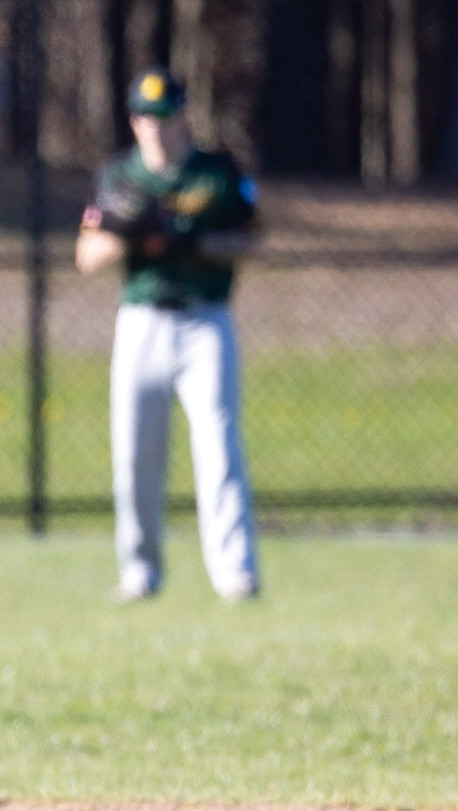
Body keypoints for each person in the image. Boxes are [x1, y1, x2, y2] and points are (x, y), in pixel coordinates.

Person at [77, 69, 264, 602]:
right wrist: (129, 235)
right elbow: (87, 255)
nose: (154, 127)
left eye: (163, 116)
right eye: (143, 117)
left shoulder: (216, 174)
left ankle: (234, 572)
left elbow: (252, 241)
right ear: (133, 121)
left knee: (218, 443)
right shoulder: (119, 176)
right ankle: (140, 570)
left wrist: (196, 240)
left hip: (204, 320)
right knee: (135, 450)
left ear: (183, 116)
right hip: (143, 321)